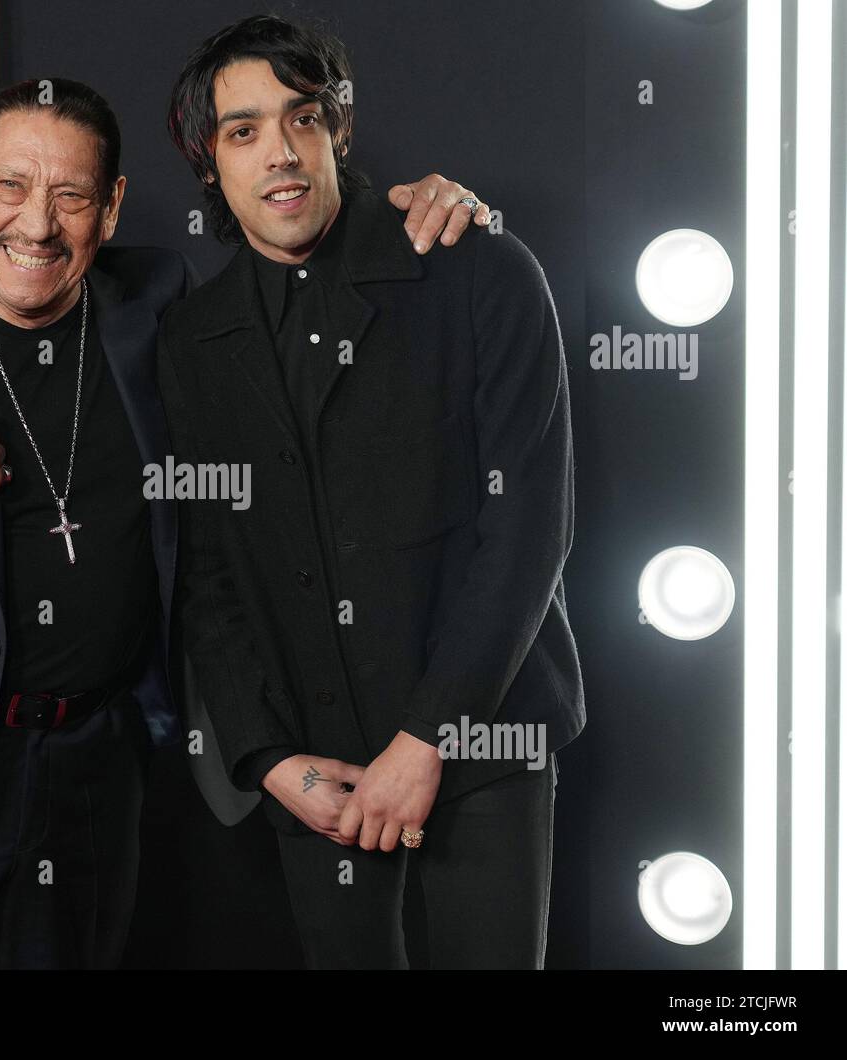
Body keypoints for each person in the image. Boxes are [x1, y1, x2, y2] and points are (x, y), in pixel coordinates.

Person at [0, 74, 489, 969]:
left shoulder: (158, 303)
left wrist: (410, 214)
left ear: (111, 210)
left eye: (70, 196)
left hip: (92, 782)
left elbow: (295, 268)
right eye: (10, 187)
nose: (35, 224)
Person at [158, 14, 585, 969]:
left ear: (338, 131)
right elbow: (209, 581)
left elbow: (527, 533)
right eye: (243, 130)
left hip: (481, 752)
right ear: (209, 163)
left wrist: (428, 739)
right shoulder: (191, 342)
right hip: (318, 779)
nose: (281, 153)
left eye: (303, 118)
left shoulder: (479, 270)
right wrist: (268, 761)